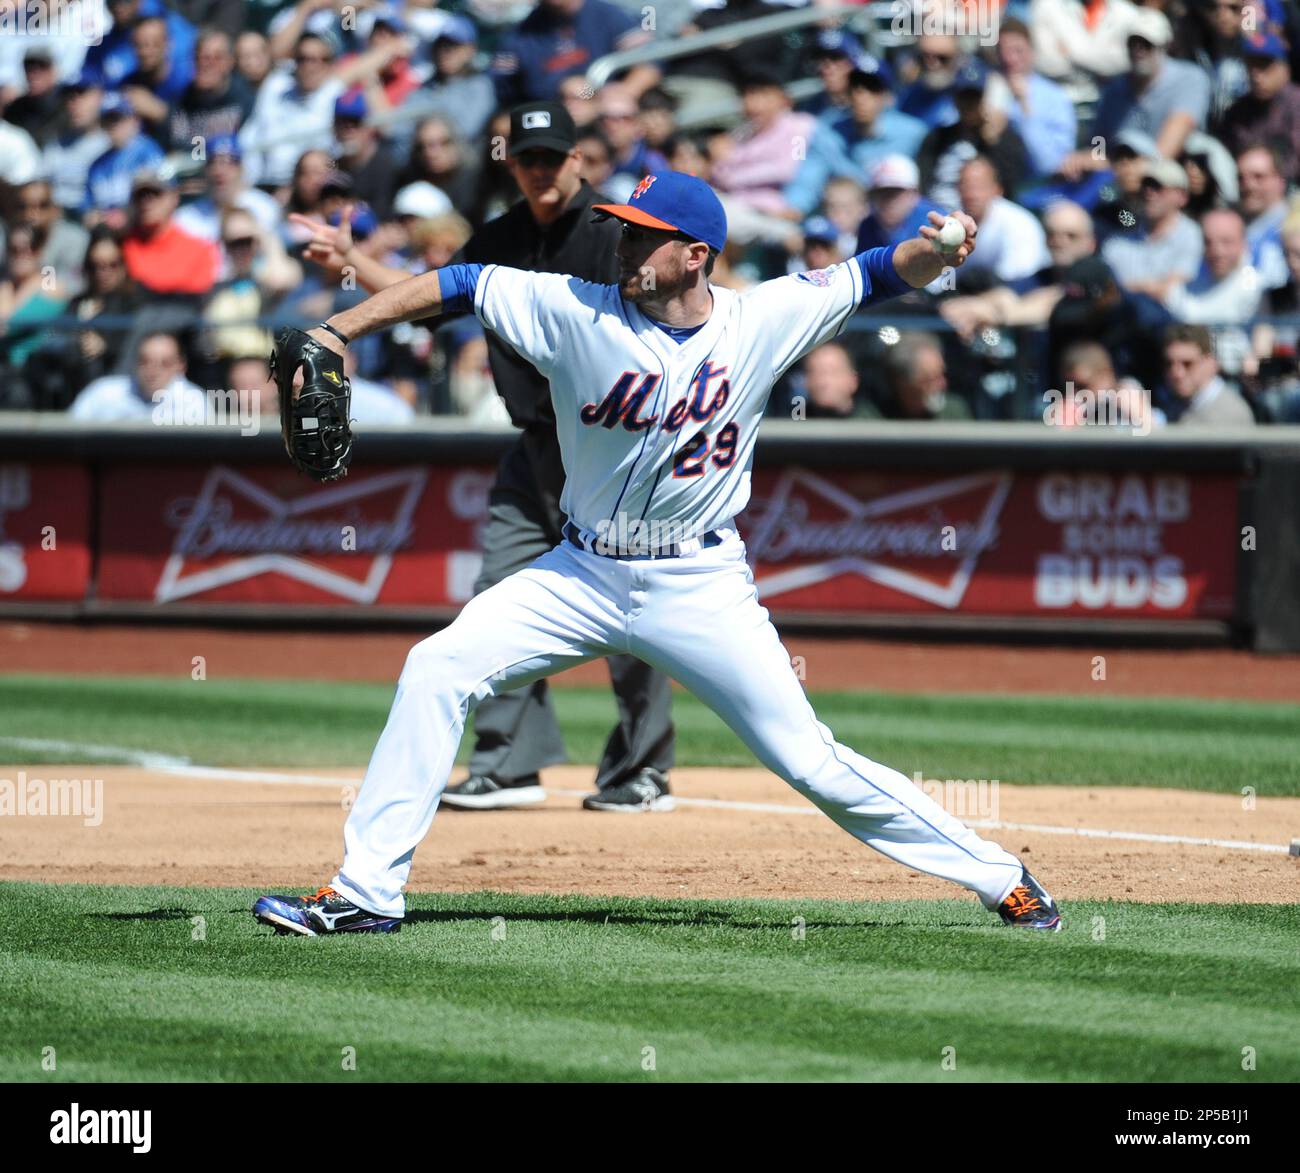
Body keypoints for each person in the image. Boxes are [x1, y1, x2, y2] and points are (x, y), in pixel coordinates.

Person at [251, 169, 1064, 937]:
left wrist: (941, 249)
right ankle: (365, 893)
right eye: (622, 232)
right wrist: (334, 329)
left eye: (645, 237)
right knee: (437, 666)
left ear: (696, 254)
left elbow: (881, 271)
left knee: (809, 759)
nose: (624, 249)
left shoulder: (764, 316)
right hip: (581, 572)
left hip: (699, 580)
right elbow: (464, 281)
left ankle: (1003, 877)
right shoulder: (574, 309)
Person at [293, 101, 680, 814]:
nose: (539, 170)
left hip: (611, 451)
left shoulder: (610, 235)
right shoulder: (499, 235)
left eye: (551, 157)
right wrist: (352, 262)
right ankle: (510, 762)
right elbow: (429, 299)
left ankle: (641, 769)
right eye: (527, 159)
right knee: (498, 601)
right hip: (535, 446)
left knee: (630, 615)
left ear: (578, 161)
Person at [1102, 156, 1204, 292]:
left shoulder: (1193, 236)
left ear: (1182, 196)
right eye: (1145, 186)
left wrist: (1129, 289)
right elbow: (1105, 290)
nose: (1149, 193)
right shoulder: (1118, 241)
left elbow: (1176, 290)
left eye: (1158, 187)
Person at [68, 329, 206, 420]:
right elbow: (71, 431)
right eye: (145, 361)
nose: (153, 371)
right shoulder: (103, 392)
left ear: (180, 367)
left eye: (165, 363)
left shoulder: (194, 402)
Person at [1218, 30, 1300, 182]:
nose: (1256, 75)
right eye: (1251, 65)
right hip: (1245, 192)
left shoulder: (1296, 104)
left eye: (1264, 65)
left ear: (1284, 69)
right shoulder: (1237, 111)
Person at [1160, 323, 1255, 424]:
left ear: (1211, 362)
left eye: (1187, 364)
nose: (1177, 373)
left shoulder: (1231, 413)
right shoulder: (1175, 404)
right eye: (1169, 364)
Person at [878, 332, 972, 421]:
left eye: (941, 374)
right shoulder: (875, 417)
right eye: (930, 380)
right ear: (904, 383)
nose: (943, 384)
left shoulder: (953, 412)